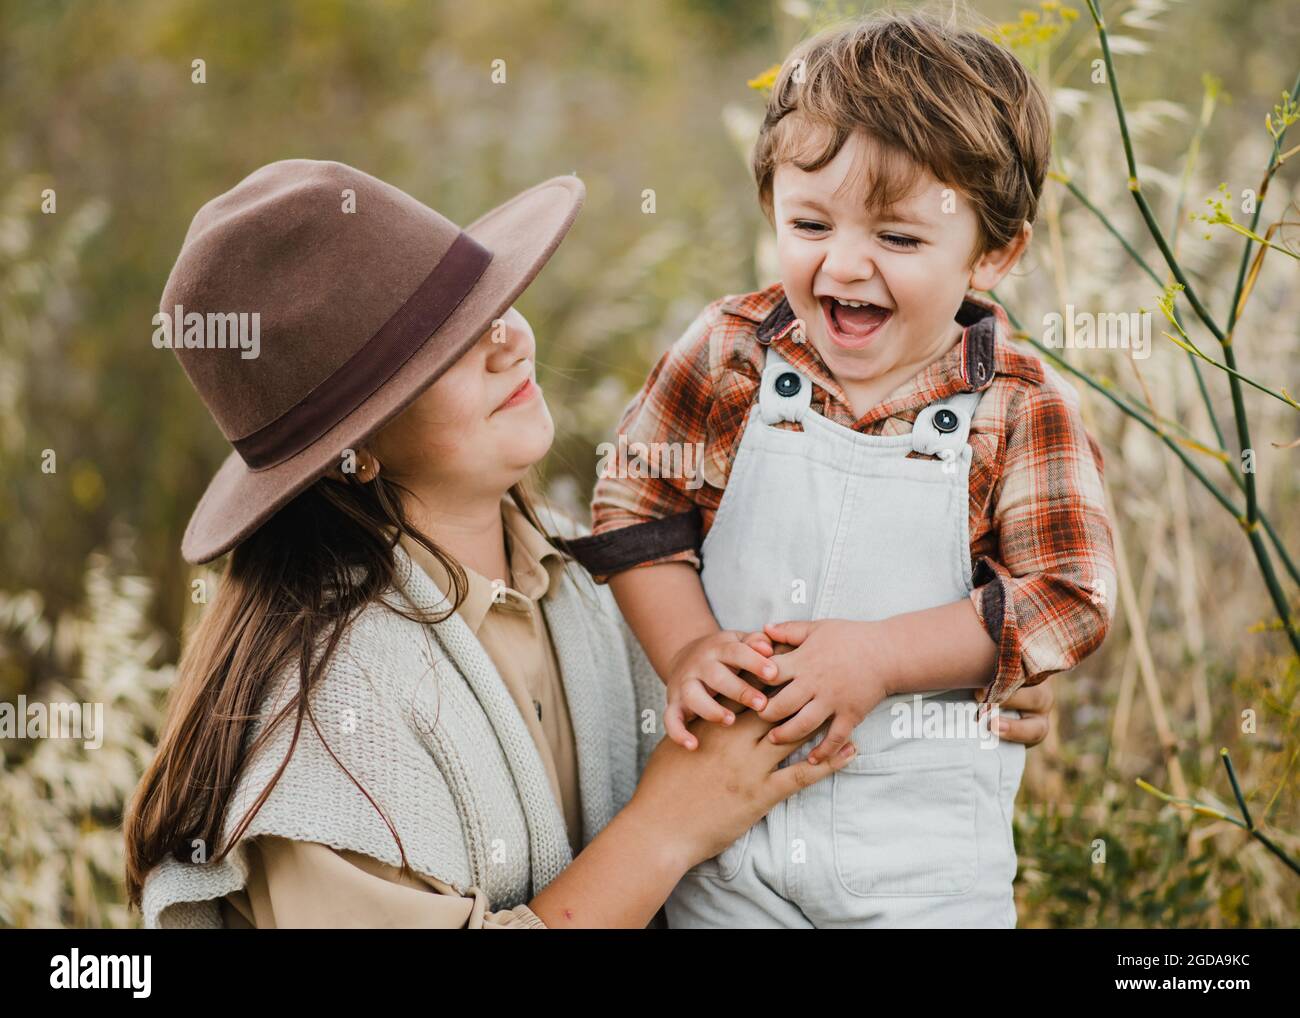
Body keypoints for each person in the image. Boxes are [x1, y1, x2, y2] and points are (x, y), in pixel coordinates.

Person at [124, 158, 860, 928]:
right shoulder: (327, 726)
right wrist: (669, 828)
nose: (507, 338)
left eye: (491, 302)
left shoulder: (610, 578)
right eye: (443, 345)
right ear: (352, 451)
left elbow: (796, 665)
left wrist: (978, 676)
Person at [564, 12, 1117, 928]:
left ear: (995, 252)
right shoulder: (731, 355)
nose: (844, 264)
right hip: (724, 859)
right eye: (810, 222)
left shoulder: (1017, 405)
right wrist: (690, 648)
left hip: (925, 873)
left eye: (900, 239)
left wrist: (885, 656)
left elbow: (1069, 592)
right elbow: (635, 506)